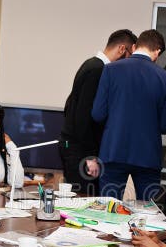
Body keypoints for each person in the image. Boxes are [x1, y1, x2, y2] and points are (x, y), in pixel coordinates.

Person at [91, 29, 166, 201]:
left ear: (135, 46)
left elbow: (97, 114)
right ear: (157, 51)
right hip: (147, 155)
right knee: (150, 213)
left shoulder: (110, 70)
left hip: (113, 150)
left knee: (109, 210)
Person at [59, 29, 137, 195]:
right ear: (122, 49)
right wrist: (90, 157)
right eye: (131, 55)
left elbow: (70, 106)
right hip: (81, 153)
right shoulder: (98, 70)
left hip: (76, 148)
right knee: (83, 204)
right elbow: (84, 116)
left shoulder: (91, 65)